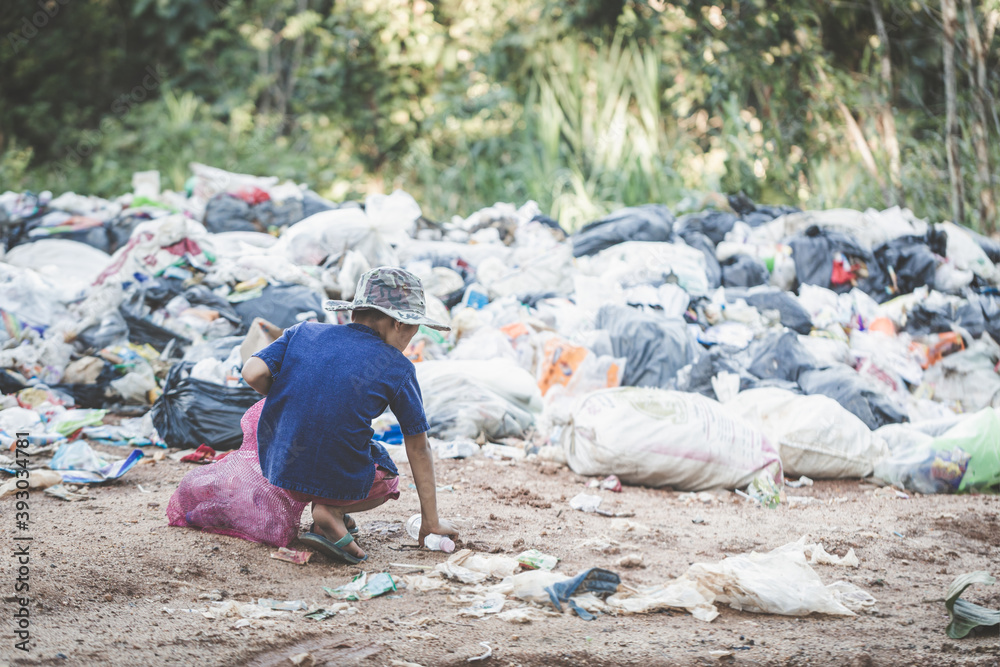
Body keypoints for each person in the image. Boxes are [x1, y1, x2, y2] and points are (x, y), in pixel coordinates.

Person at [241, 267, 459, 564]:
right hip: (336, 477)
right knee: (387, 475)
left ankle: (327, 521)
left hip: (281, 467)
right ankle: (329, 510)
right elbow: (418, 445)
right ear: (398, 323)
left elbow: (252, 373)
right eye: (413, 328)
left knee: (354, 445)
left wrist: (292, 400)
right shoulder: (397, 366)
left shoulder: (303, 332)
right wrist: (430, 523)